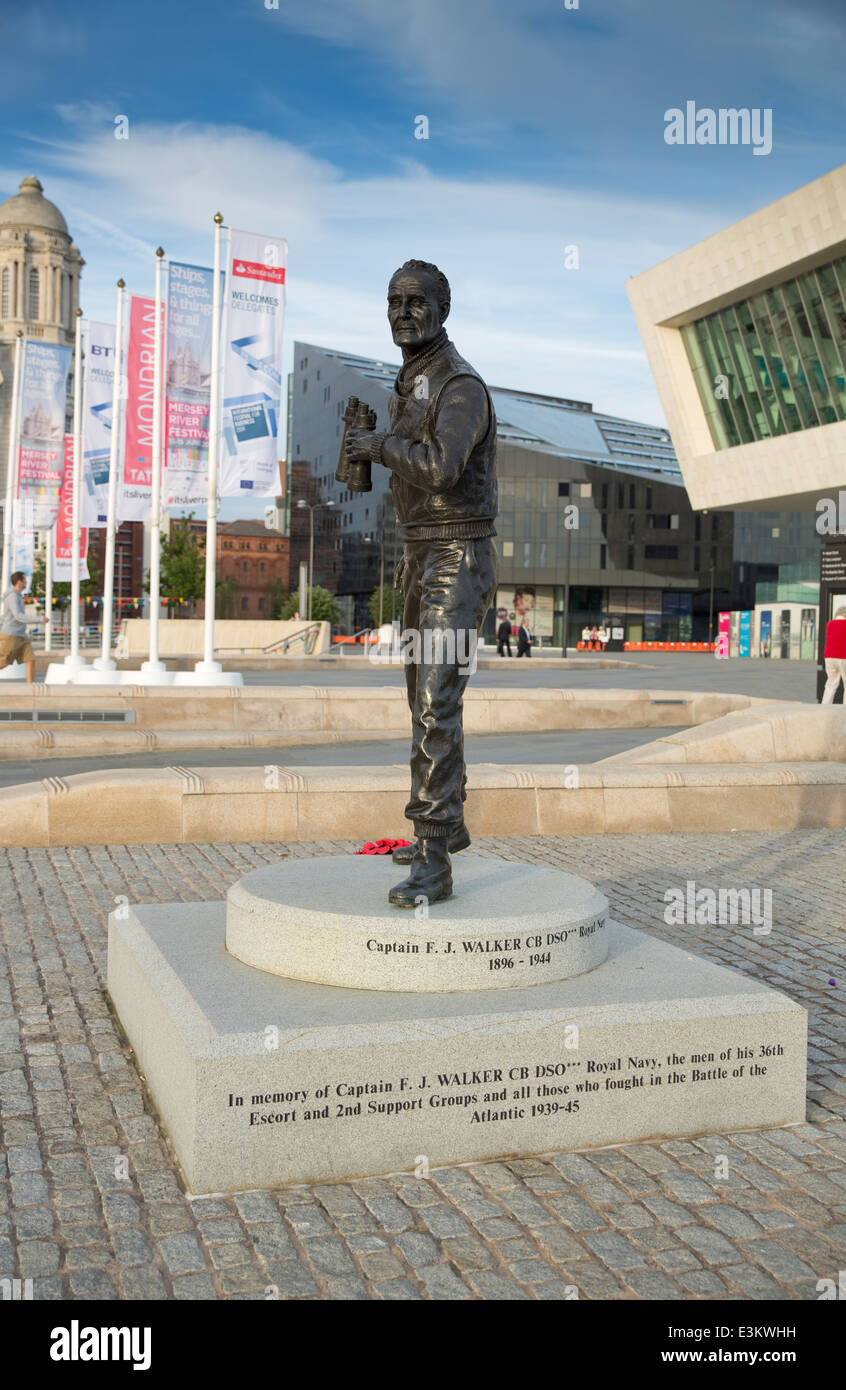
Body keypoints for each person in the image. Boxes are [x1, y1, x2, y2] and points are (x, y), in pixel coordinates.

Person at [344, 258, 497, 906]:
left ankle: (433, 859)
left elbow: (440, 467)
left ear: (442, 311)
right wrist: (363, 452)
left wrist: (377, 446)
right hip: (419, 556)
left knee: (436, 703)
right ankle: (446, 825)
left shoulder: (460, 386)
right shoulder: (407, 389)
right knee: (422, 702)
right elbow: (401, 476)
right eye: (394, 301)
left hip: (456, 557)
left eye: (416, 302)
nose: (403, 312)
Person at [0, 572, 36, 683]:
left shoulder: (18, 596)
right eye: (24, 580)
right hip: (11, 634)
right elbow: (18, 616)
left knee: (31, 659)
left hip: (21, 635)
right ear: (19, 582)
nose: (26, 582)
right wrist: (39, 619)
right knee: (3, 663)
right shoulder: (12, 596)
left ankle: (30, 688)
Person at [821, 607, 846, 704]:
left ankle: (825, 706)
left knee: (831, 683)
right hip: (843, 656)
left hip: (829, 657)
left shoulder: (830, 624)